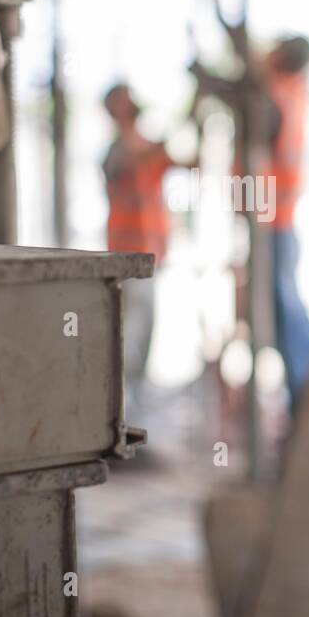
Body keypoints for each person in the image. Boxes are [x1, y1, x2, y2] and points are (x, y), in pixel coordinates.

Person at [189, 33, 309, 415]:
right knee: (280, 310)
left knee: (282, 313)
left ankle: (305, 396)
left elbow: (238, 96)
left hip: (273, 227)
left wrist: (205, 77)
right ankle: (304, 391)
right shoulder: (289, 93)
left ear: (278, 58)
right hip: (276, 225)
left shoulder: (272, 98)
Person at [102, 82, 176, 428]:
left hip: (151, 259)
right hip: (128, 260)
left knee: (145, 336)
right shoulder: (117, 152)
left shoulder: (143, 147)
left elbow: (179, 160)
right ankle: (121, 416)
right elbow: (140, 159)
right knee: (129, 338)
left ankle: (135, 417)